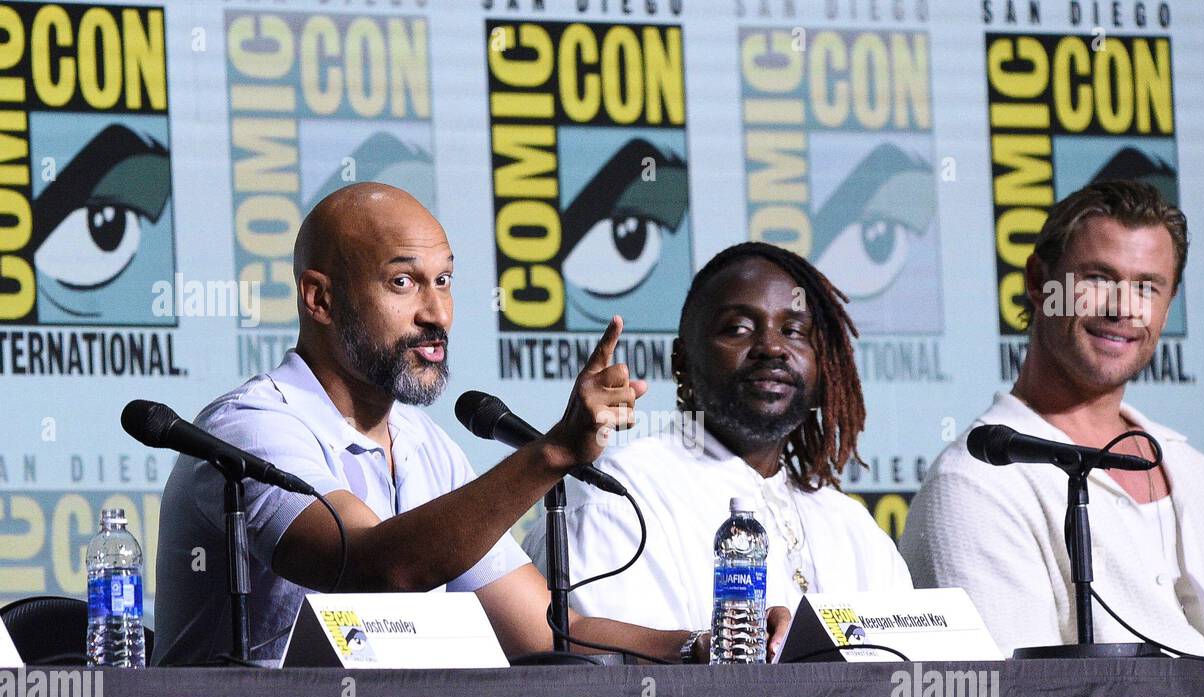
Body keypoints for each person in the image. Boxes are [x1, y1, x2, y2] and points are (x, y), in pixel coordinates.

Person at [153, 184, 788, 665]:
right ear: (319, 298)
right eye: (402, 282)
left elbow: (541, 629)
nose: (437, 313)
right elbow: (377, 569)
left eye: (445, 280)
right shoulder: (251, 429)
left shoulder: (427, 448)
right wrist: (553, 453)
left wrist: (703, 647)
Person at [900, 180, 1204, 657]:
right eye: (1098, 278)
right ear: (1039, 282)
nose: (1122, 308)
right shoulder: (976, 484)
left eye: (1147, 286)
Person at [525, 242, 912, 632]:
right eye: (738, 328)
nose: (772, 348)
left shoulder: (851, 526)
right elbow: (610, 682)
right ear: (683, 362)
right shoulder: (620, 493)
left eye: (794, 330)